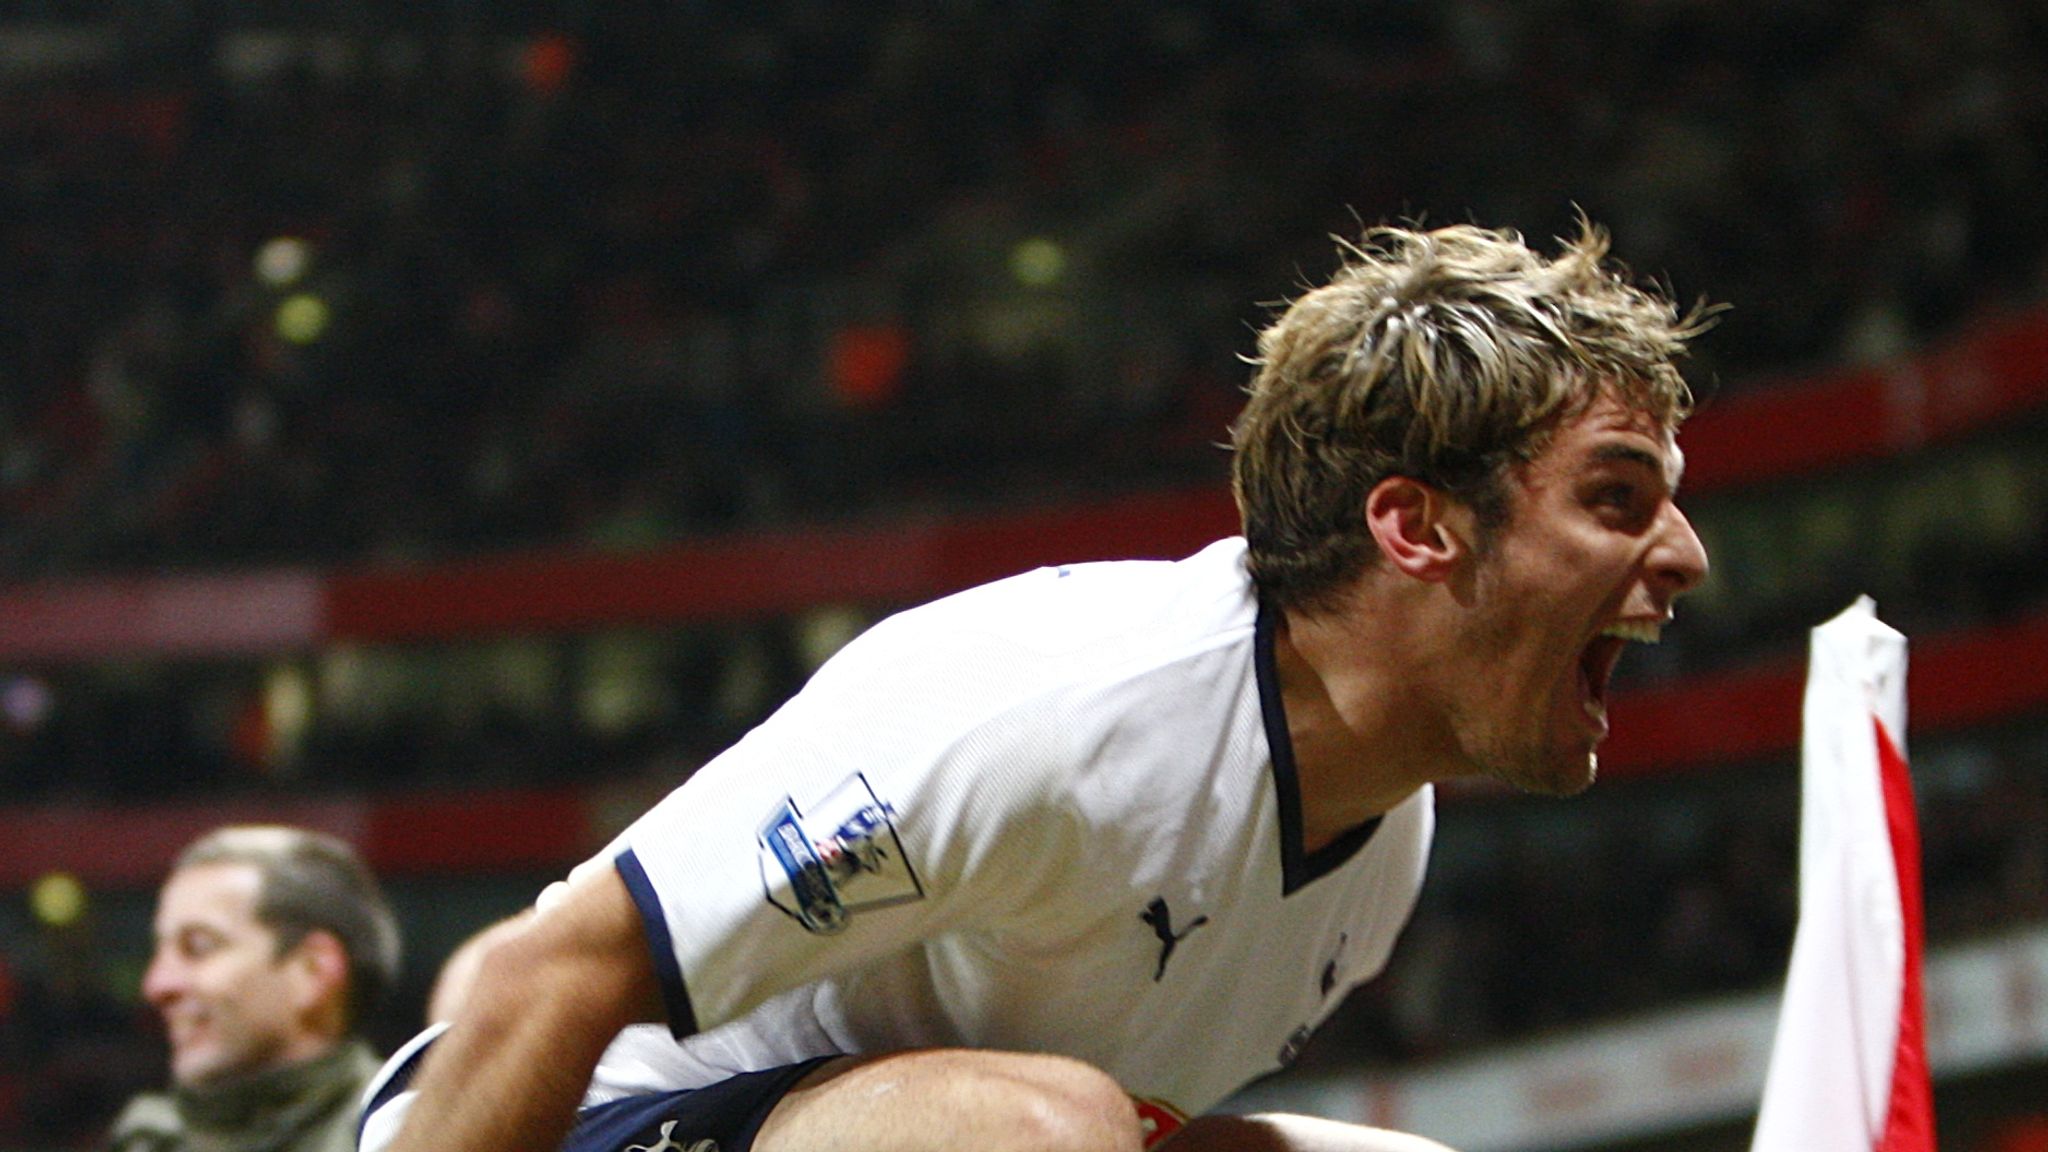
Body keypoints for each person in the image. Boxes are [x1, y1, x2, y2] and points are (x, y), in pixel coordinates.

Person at [363, 219, 1716, 1152]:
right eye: (1616, 499)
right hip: (561, 1121)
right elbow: (553, 970)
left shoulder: (1385, 839)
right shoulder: (1052, 711)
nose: (1686, 558)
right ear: (1415, 527)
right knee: (1042, 1132)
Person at [106, 825, 401, 1152]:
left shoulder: (409, 1137)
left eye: (199, 945)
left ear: (313, 969)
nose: (157, 985)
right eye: (160, 949)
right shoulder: (146, 1141)